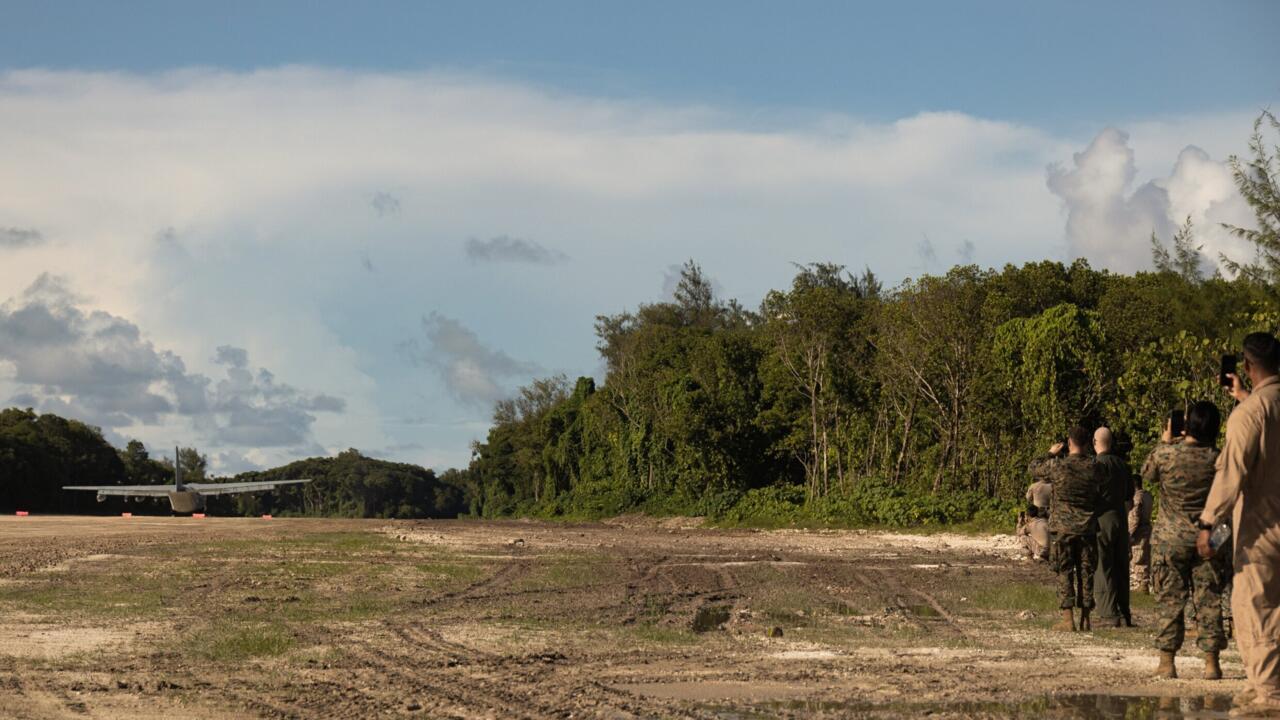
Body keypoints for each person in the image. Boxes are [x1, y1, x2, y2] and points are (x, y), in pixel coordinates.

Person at [1197, 333, 1280, 712]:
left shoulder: (1248, 415)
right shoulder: (1258, 407)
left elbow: (1231, 474)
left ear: (1246, 366)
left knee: (1255, 606)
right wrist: (1246, 397)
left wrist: (1208, 524)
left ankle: (1270, 693)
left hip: (1261, 530)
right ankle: (1258, 682)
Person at [1143, 401, 1231, 680]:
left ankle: (1167, 662)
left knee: (1170, 601)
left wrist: (1165, 441)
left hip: (1170, 539)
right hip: (1212, 539)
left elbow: (1147, 475)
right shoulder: (1219, 459)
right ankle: (1211, 663)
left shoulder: (1166, 454)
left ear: (1186, 425)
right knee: (1209, 600)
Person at [1031, 425, 1103, 632]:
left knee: (1064, 571)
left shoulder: (1058, 466)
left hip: (1063, 528)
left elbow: (1034, 468)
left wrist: (1050, 453)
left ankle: (1068, 618)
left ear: (1069, 443)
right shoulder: (1095, 467)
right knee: (1086, 571)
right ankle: (1086, 618)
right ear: (1088, 444)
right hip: (1087, 527)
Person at [1093, 427, 1134, 627]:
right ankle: (1124, 612)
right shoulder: (1123, 465)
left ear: (1094, 443)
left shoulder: (1096, 465)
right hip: (1121, 517)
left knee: (1103, 566)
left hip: (1102, 518)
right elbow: (1129, 498)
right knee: (1121, 566)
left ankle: (1108, 613)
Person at [1018, 470, 1053, 561]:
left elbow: (1028, 498)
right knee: (1046, 530)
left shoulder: (1034, 486)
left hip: (1037, 510)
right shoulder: (1052, 486)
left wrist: (1020, 522)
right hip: (1049, 511)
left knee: (1032, 530)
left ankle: (1030, 555)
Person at [1130, 483, 1154, 593]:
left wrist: (1130, 532)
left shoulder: (1137, 497)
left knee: (1138, 557)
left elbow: (1135, 515)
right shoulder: (1148, 495)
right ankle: (1144, 583)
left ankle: (1142, 584)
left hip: (1139, 530)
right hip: (1147, 528)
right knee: (1145, 557)